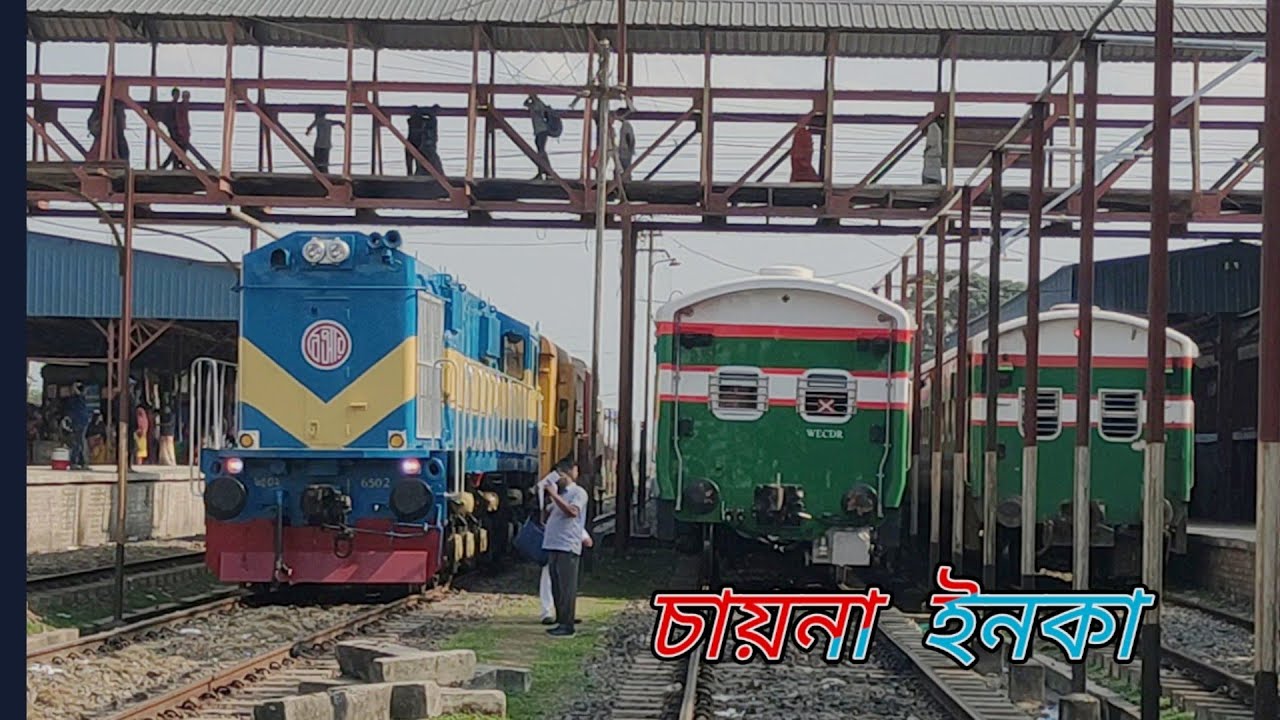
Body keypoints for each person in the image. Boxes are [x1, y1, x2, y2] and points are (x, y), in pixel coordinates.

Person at [537, 461, 594, 625]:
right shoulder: (559, 495)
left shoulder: (578, 493)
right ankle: (561, 619)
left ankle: (566, 623)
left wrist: (554, 495)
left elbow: (572, 513)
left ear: (566, 474)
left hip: (567, 545)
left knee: (566, 586)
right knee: (556, 585)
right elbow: (546, 517)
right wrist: (543, 497)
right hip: (553, 544)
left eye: (558, 476)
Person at [523, 94, 559, 179]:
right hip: (538, 131)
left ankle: (546, 171)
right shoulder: (535, 104)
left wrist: (532, 98)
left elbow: (538, 109)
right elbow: (525, 104)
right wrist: (530, 98)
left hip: (542, 130)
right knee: (540, 151)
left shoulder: (538, 104)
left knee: (541, 151)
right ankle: (545, 170)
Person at [161, 89, 191, 170]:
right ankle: (175, 165)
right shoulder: (175, 106)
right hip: (177, 130)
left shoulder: (180, 105)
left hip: (183, 131)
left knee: (179, 148)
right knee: (177, 148)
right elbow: (175, 118)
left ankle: (176, 165)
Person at [65, 381, 91, 470]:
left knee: (80, 442)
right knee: (79, 443)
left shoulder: (80, 399)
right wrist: (75, 388)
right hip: (78, 422)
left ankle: (80, 462)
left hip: (81, 422)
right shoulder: (76, 399)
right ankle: (76, 462)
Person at [922, 119, 943, 185]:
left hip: (930, 171)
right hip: (935, 172)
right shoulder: (936, 129)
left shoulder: (933, 128)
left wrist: (926, 152)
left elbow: (931, 144)